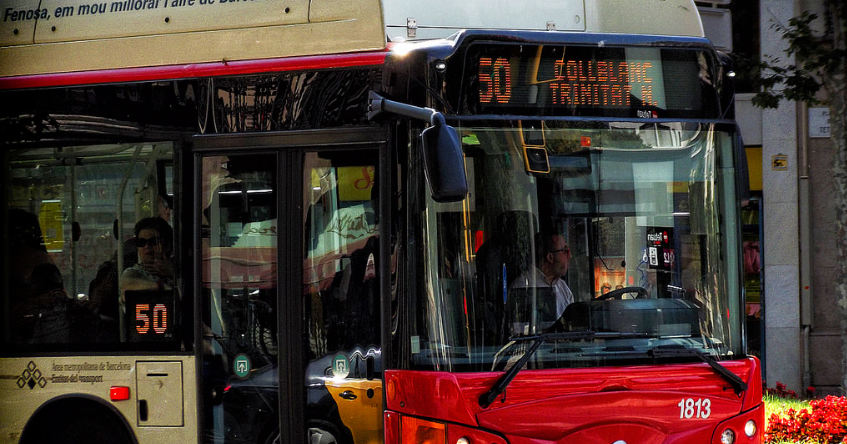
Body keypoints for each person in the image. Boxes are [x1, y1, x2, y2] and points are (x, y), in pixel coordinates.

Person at [510, 231, 574, 322]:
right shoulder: (523, 286)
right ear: (550, 257)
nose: (570, 256)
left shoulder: (563, 288)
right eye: (565, 251)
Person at [120, 217, 174, 313]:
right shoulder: (133, 272)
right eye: (141, 242)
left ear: (167, 245)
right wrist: (161, 286)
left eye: (153, 242)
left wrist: (172, 272)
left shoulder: (178, 271)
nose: (147, 246)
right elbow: (127, 287)